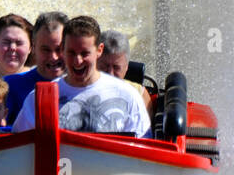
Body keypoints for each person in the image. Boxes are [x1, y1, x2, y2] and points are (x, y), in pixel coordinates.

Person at [12, 15, 150, 137]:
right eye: (71, 53)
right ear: (63, 50)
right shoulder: (38, 98)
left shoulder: (127, 95)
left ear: (99, 50)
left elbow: (143, 151)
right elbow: (19, 150)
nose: (78, 61)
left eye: (84, 53)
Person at [2, 10, 68, 122]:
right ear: (33, 48)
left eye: (59, 49)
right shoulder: (10, 86)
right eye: (45, 50)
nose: (53, 57)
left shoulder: (85, 86)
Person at [99, 29, 152, 111]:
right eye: (104, 66)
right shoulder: (77, 89)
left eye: (116, 67)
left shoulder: (139, 95)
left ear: (126, 67)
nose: (110, 74)